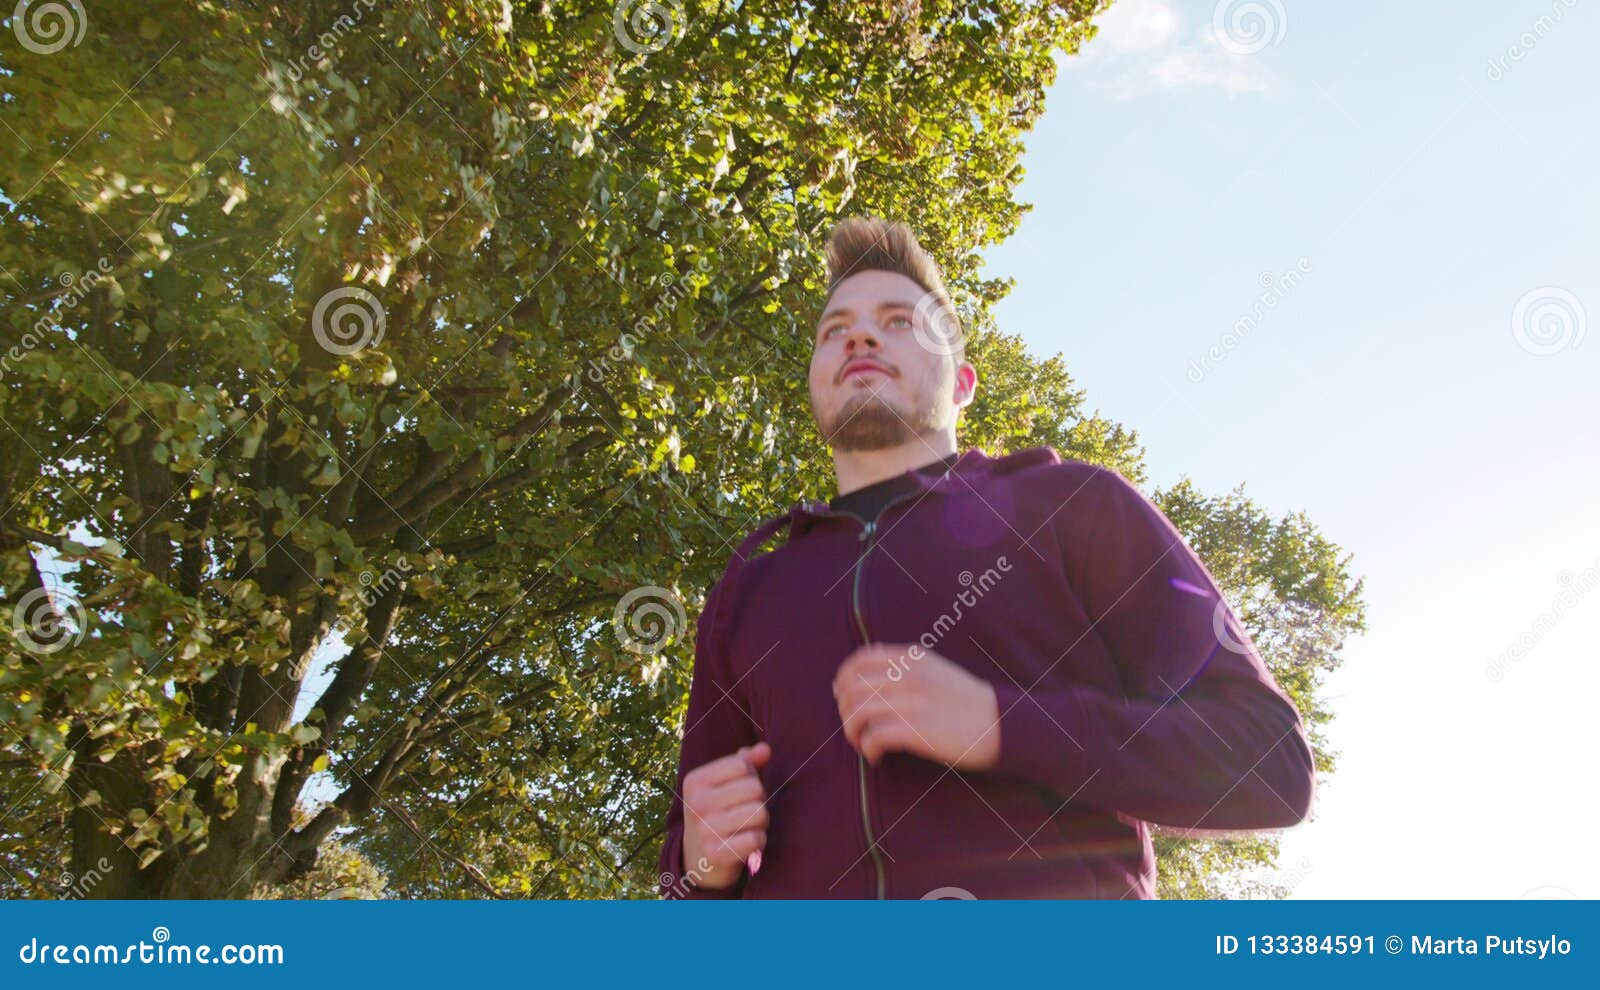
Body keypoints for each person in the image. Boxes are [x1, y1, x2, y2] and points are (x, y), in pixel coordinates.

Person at [657, 217, 1314, 899]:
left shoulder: (1075, 506)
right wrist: (701, 862)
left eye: (899, 321)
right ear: (816, 380)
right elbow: (685, 873)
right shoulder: (750, 590)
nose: (859, 335)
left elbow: (1271, 766)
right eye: (834, 330)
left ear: (964, 381)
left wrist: (1001, 725)